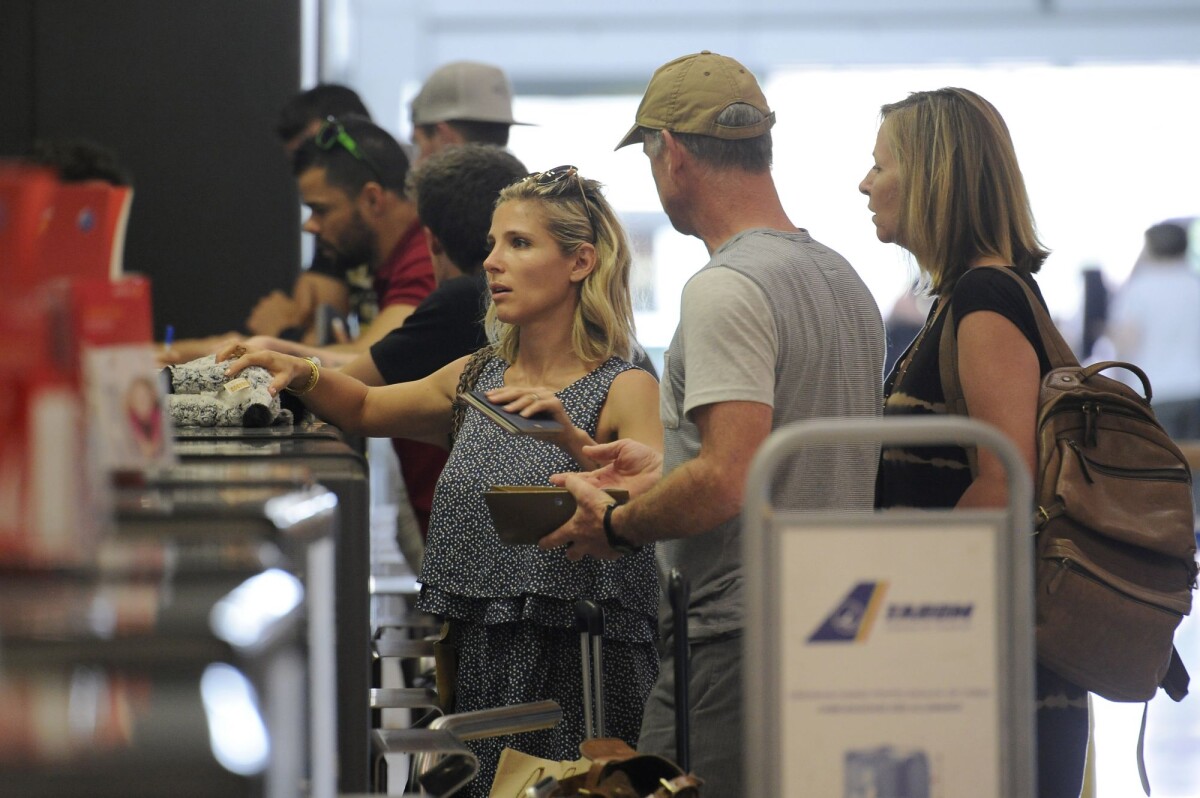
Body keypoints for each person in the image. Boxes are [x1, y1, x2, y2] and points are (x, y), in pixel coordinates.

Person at [220, 165, 662, 796]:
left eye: (519, 243)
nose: (492, 262)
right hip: (475, 676)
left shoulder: (625, 385)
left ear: (580, 262)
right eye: (491, 244)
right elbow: (368, 408)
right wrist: (301, 371)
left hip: (582, 678)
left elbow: (651, 495)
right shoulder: (474, 378)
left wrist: (577, 447)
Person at [541, 51, 885, 797]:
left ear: (672, 152)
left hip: (737, 641)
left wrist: (621, 520)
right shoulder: (841, 278)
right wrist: (667, 468)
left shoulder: (725, 287)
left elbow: (730, 478)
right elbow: (780, 465)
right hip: (834, 631)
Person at [859, 87, 1088, 797]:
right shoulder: (972, 298)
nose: (864, 183)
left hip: (990, 667)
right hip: (988, 656)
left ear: (933, 175)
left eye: (880, 165)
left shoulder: (985, 302)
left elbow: (1003, 481)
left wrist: (906, 611)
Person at [338, 144, 528, 553]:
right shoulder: (468, 363)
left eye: (523, 243)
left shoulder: (464, 297)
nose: (496, 265)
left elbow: (356, 394)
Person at [247, 84, 377, 343]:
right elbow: (314, 329)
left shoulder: (414, 240)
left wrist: (282, 335)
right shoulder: (340, 231)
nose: (309, 164)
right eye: (298, 158)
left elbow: (376, 360)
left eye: (321, 147)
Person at [1107, 221, 1200, 440]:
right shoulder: (1196, 285)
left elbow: (1126, 341)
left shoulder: (1138, 289)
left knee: (1163, 465)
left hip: (1154, 390)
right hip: (1196, 389)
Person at [409, 61, 528, 162]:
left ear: (444, 138)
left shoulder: (418, 186)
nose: (416, 162)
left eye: (418, 145)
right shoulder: (526, 188)